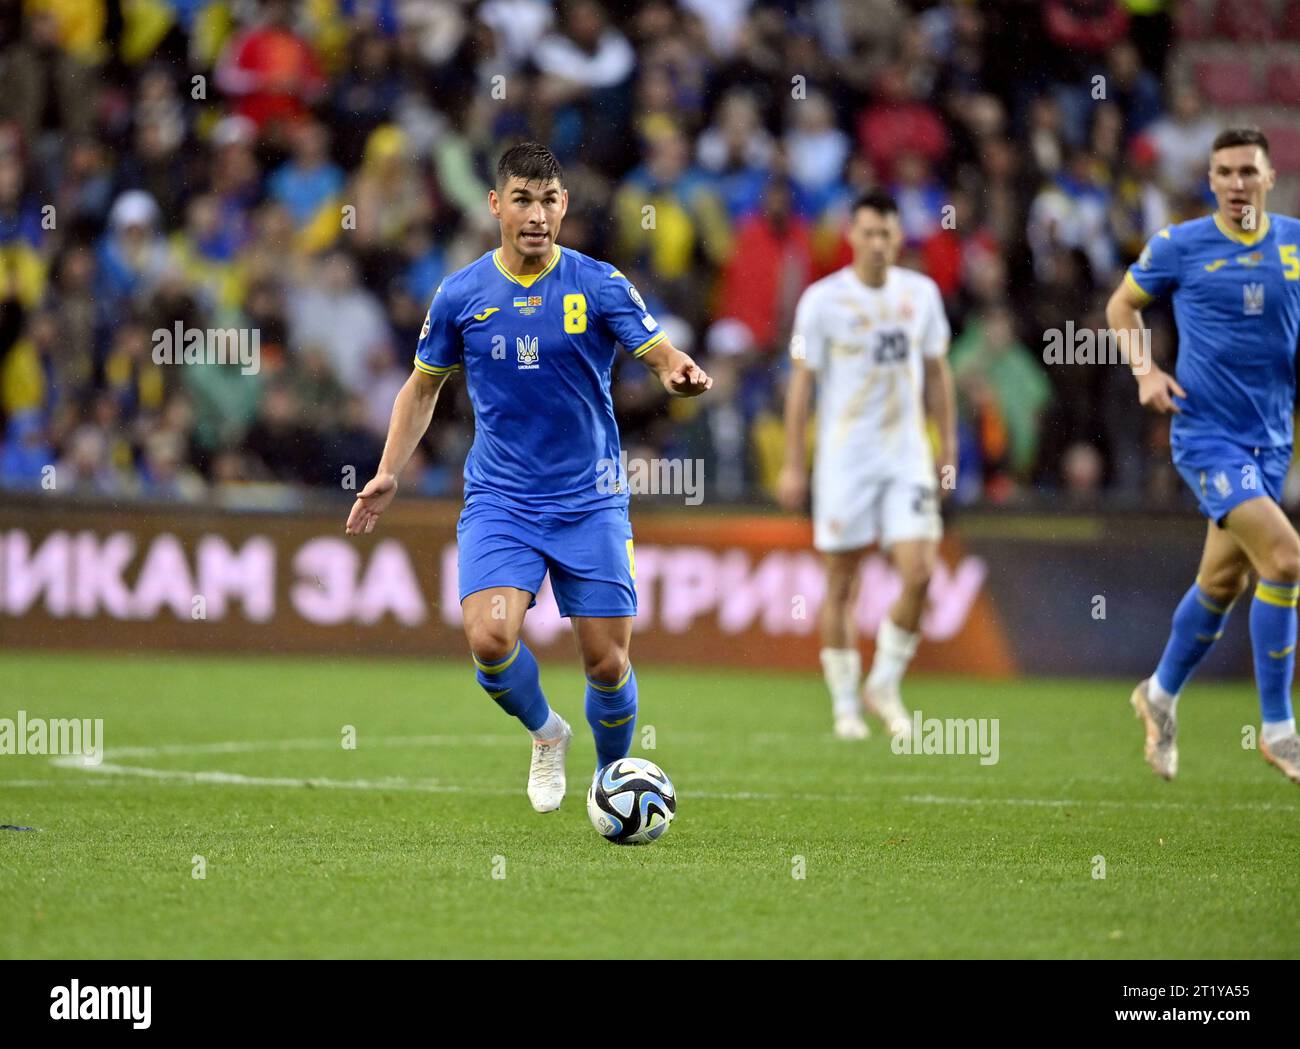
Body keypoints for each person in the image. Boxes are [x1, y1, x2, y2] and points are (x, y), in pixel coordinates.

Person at [346, 142, 712, 811]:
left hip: (591, 499)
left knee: (607, 661)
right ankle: (547, 733)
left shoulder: (599, 284)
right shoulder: (460, 295)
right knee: (489, 638)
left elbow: (658, 351)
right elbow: (421, 389)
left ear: (564, 205)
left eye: (548, 200)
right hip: (502, 500)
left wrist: (676, 371)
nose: (537, 214)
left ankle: (611, 784)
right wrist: (387, 471)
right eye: (522, 199)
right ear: (495, 205)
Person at [1105, 128, 1300, 785]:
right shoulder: (1181, 245)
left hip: (1271, 440)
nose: (1237, 182)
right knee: (1285, 557)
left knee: (1224, 582)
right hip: (1205, 434)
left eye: (1249, 170)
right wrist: (1144, 371)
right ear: (1210, 181)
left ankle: (1158, 696)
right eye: (1225, 172)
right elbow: (1121, 306)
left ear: (1270, 176)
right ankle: (1279, 729)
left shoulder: (1297, 242)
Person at [778, 191, 956, 741]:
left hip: (907, 456)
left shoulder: (921, 295)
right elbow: (801, 384)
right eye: (869, 233)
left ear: (899, 238)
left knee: (921, 572)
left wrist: (947, 448)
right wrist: (793, 463)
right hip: (844, 460)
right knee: (841, 582)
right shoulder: (821, 301)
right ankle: (845, 705)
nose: (878, 243)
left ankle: (883, 682)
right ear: (851, 236)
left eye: (887, 234)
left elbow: (937, 374)